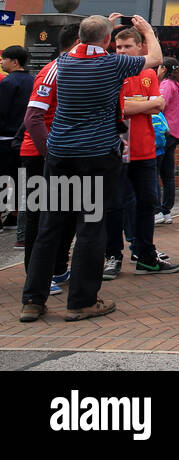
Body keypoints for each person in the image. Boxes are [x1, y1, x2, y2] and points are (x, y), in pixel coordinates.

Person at [19, 14, 161, 324]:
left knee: (49, 226)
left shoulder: (57, 65)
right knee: (90, 227)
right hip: (97, 155)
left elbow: (33, 116)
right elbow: (155, 58)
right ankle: (81, 301)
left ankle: (32, 300)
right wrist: (146, 30)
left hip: (60, 155)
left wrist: (49, 151)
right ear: (109, 41)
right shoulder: (113, 64)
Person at [107, 25, 178, 275]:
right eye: (119, 47)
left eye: (128, 46)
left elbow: (158, 105)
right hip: (117, 151)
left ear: (140, 48)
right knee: (115, 205)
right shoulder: (111, 70)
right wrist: (143, 104)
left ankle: (145, 254)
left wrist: (136, 104)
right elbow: (118, 108)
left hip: (145, 150)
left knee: (148, 203)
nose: (123, 51)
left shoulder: (147, 73)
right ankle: (112, 255)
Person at [18, 24, 78, 281]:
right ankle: (37, 275)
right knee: (40, 217)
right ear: (77, 42)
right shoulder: (54, 69)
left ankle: (58, 269)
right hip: (39, 155)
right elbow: (33, 118)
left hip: (63, 155)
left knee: (67, 214)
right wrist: (50, 153)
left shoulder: (77, 70)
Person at [0, 46, 34, 238]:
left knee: (3, 178)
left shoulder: (8, 83)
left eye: (4, 59)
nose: (2, 62)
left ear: (14, 61)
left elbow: (1, 111)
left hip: (5, 139)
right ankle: (14, 216)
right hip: (24, 138)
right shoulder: (33, 80)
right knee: (19, 179)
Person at [155, 57, 179, 225]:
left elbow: (159, 105)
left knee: (155, 172)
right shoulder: (177, 85)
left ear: (164, 69)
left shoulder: (166, 85)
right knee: (168, 175)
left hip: (164, 133)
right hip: (174, 133)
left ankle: (157, 211)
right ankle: (166, 211)